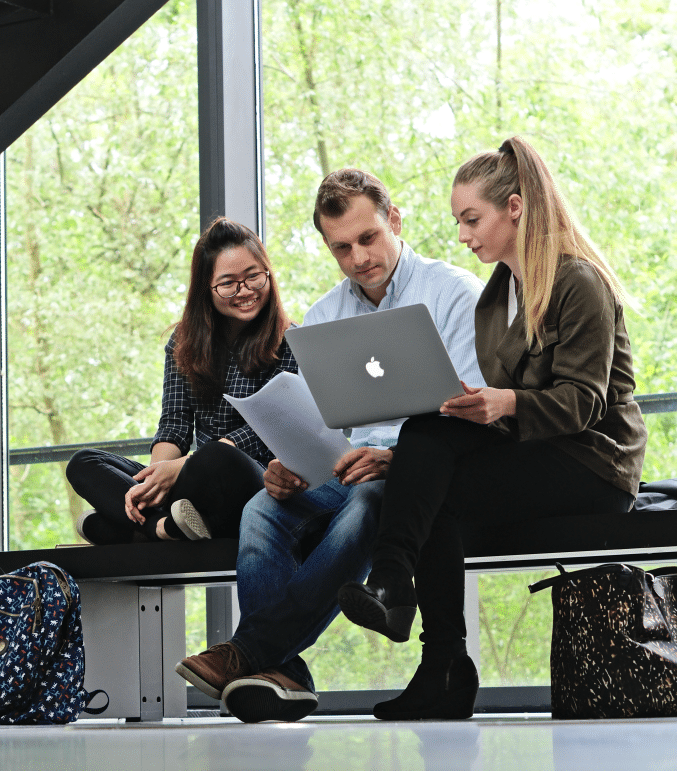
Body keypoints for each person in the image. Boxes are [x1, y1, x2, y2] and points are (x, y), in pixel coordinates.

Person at [337, 136, 648, 720]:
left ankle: (427, 643)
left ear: (515, 208)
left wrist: (504, 403)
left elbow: (583, 404)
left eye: (470, 218)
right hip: (534, 453)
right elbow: (491, 413)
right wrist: (467, 414)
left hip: (593, 464)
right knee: (425, 437)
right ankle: (421, 634)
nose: (462, 235)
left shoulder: (578, 282)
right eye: (459, 221)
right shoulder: (495, 296)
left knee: (432, 482)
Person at [175, 169, 486, 722]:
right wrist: (284, 463)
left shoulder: (453, 293)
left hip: (412, 476)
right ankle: (285, 670)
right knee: (261, 508)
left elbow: (471, 411)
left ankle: (251, 653)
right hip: (337, 471)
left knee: (368, 502)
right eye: (342, 247)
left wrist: (394, 458)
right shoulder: (322, 319)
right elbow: (314, 423)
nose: (359, 257)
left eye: (368, 238)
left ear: (394, 221)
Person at [66, 216, 297, 544]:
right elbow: (174, 426)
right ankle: (161, 527)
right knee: (84, 463)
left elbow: (269, 431)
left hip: (249, 483)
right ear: (207, 288)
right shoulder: (184, 341)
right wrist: (156, 480)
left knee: (218, 456)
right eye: (229, 283)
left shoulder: (293, 341)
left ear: (268, 275)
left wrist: (181, 468)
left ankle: (126, 526)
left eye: (254, 277)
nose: (245, 291)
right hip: (191, 482)